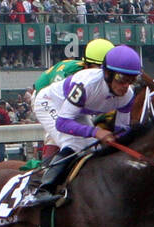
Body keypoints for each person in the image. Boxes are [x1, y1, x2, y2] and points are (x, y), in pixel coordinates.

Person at [24, 45, 144, 208]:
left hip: (77, 110)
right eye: (121, 78)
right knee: (74, 144)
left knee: (93, 151)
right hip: (50, 102)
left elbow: (121, 130)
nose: (126, 86)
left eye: (132, 80)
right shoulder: (87, 85)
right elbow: (62, 123)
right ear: (107, 74)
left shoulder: (127, 96)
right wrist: (96, 131)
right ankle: (43, 189)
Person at [32, 38, 114, 160]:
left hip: (73, 104)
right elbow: (61, 107)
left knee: (91, 145)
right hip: (47, 98)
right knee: (66, 139)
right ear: (86, 65)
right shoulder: (70, 73)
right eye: (99, 69)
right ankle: (46, 171)